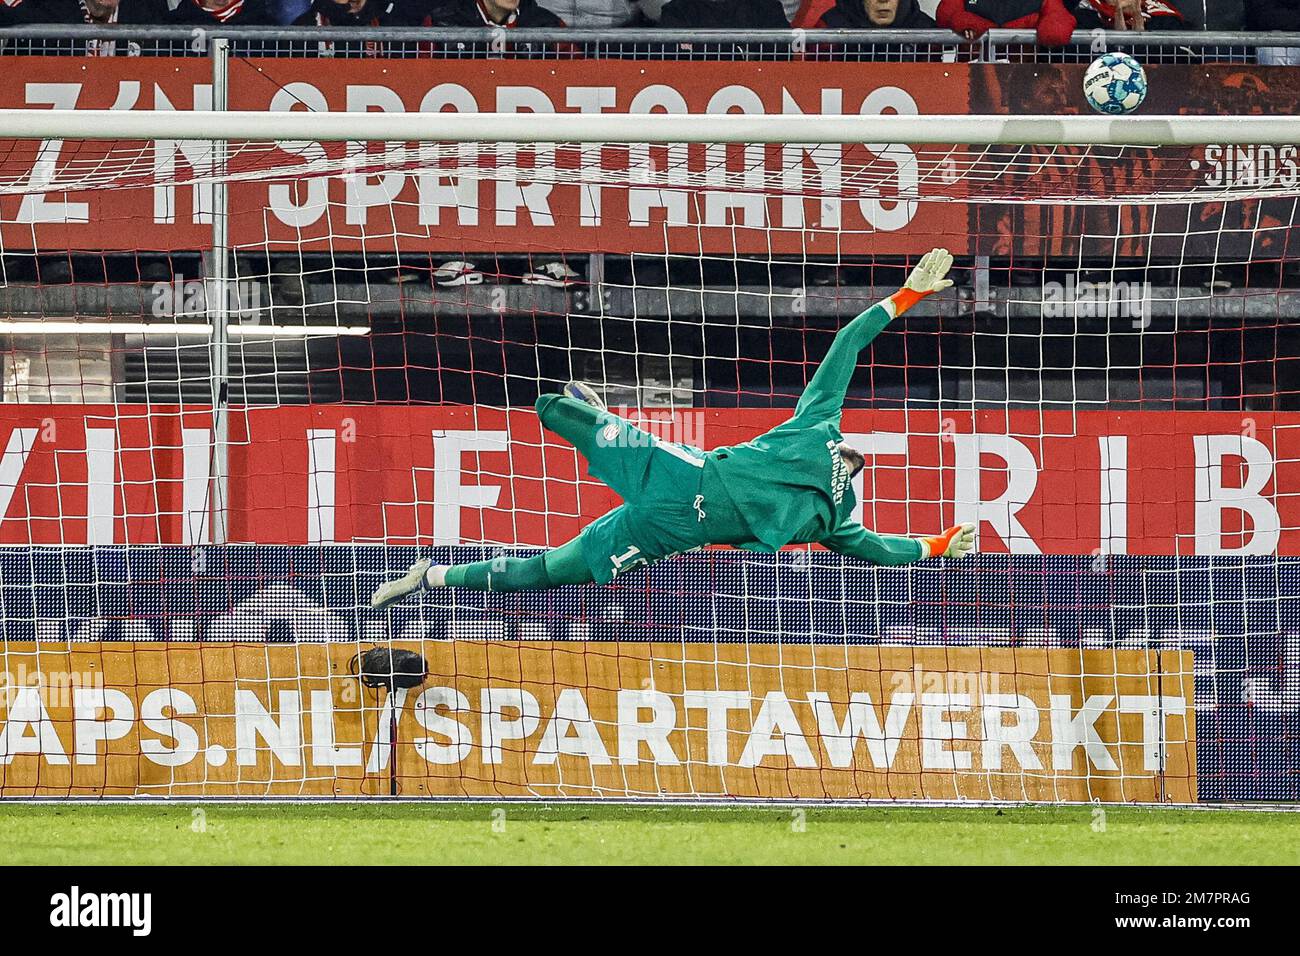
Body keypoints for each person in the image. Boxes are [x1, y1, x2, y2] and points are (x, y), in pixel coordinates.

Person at [371, 248, 976, 607]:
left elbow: (882, 550)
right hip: (679, 471)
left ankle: (433, 575)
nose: (853, 456)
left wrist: (906, 296)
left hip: (665, 525)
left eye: (854, 458)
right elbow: (889, 551)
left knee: (552, 571)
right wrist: (939, 545)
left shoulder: (825, 456)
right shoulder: (823, 456)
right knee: (564, 415)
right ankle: (582, 406)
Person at [935, 0, 1078, 46]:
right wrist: (963, 20)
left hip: (1026, 73)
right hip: (972, 74)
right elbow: (946, 14)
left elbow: (1057, 23)